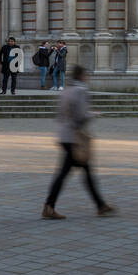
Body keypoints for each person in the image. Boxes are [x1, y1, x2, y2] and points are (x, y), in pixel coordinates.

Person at [42, 65, 116, 219]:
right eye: (86, 74)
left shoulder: (67, 90)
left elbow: (60, 113)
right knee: (76, 172)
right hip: (75, 137)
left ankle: (100, 205)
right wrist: (94, 114)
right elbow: (81, 115)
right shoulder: (81, 90)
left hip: (64, 135)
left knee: (79, 172)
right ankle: (50, 206)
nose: (87, 77)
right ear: (82, 76)